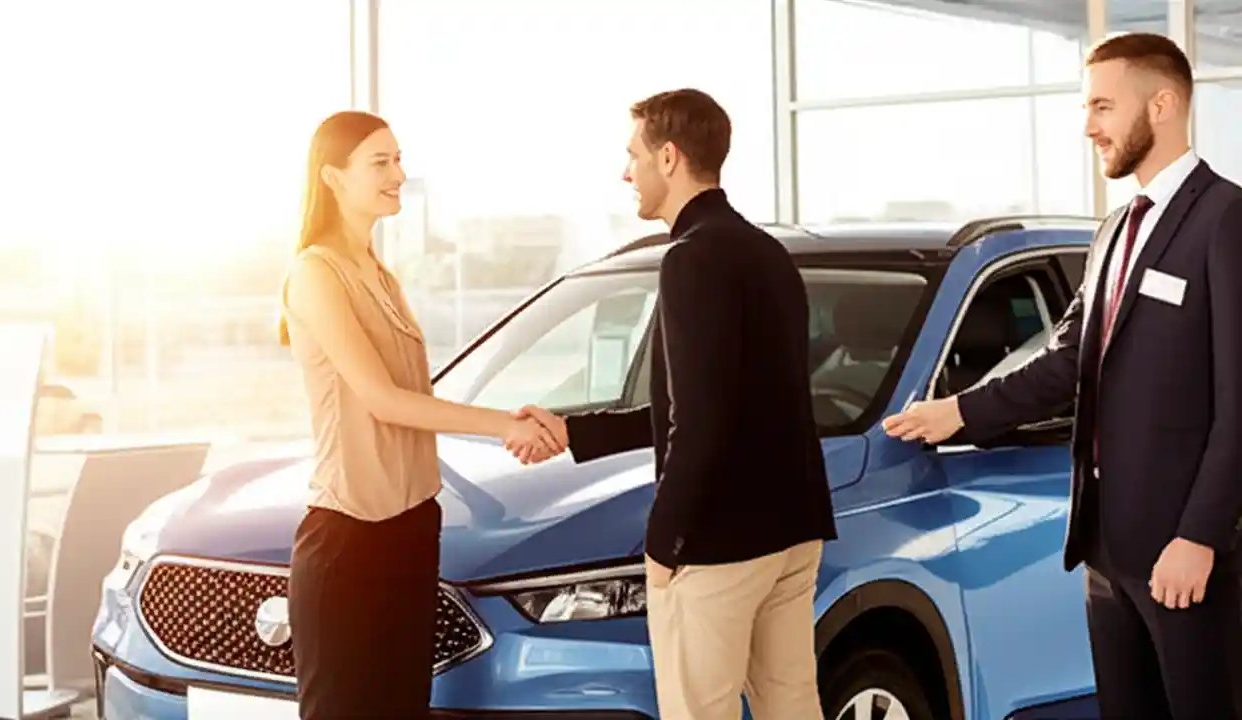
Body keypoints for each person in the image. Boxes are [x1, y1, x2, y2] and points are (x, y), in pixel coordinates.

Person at [882, 33, 1242, 720]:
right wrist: (957, 412)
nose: (1088, 126)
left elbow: (1240, 403)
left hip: (1184, 551)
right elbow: (1068, 358)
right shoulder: (1113, 231)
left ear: (1161, 104)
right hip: (1107, 549)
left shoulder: (1227, 219)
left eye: (1103, 106)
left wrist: (1200, 536)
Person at [516, 89, 838, 720]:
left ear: (668, 157)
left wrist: (665, 542)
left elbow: (701, 421)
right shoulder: (767, 253)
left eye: (632, 154)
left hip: (719, 543)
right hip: (793, 531)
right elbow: (715, 402)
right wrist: (574, 432)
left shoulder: (691, 259)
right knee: (792, 709)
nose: (625, 172)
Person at [278, 110, 563, 720]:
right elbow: (382, 400)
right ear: (332, 177)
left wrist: (509, 414)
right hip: (348, 538)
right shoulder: (314, 273)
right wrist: (504, 426)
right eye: (380, 162)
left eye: (398, 159)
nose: (398, 174)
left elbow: (414, 393)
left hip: (411, 529)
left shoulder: (381, 274)